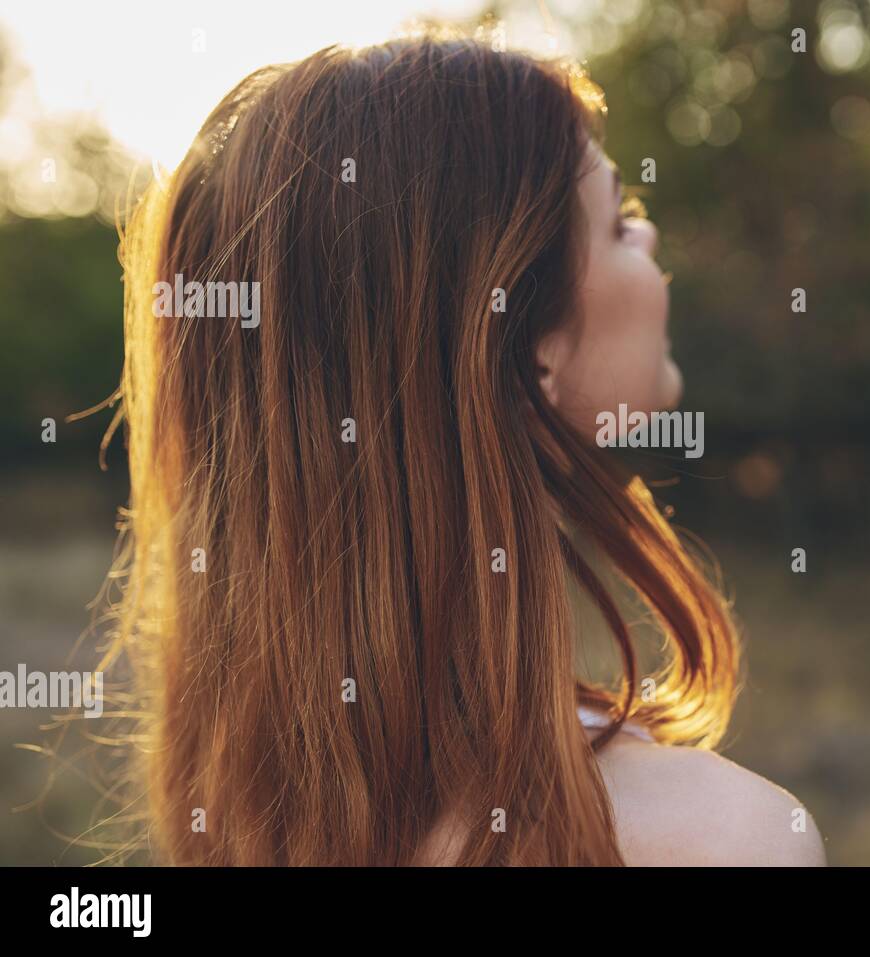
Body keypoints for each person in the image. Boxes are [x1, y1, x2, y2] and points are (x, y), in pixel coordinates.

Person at [102, 28, 825, 867]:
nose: (653, 239)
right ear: (525, 354)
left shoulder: (240, 800)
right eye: (622, 221)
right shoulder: (721, 841)